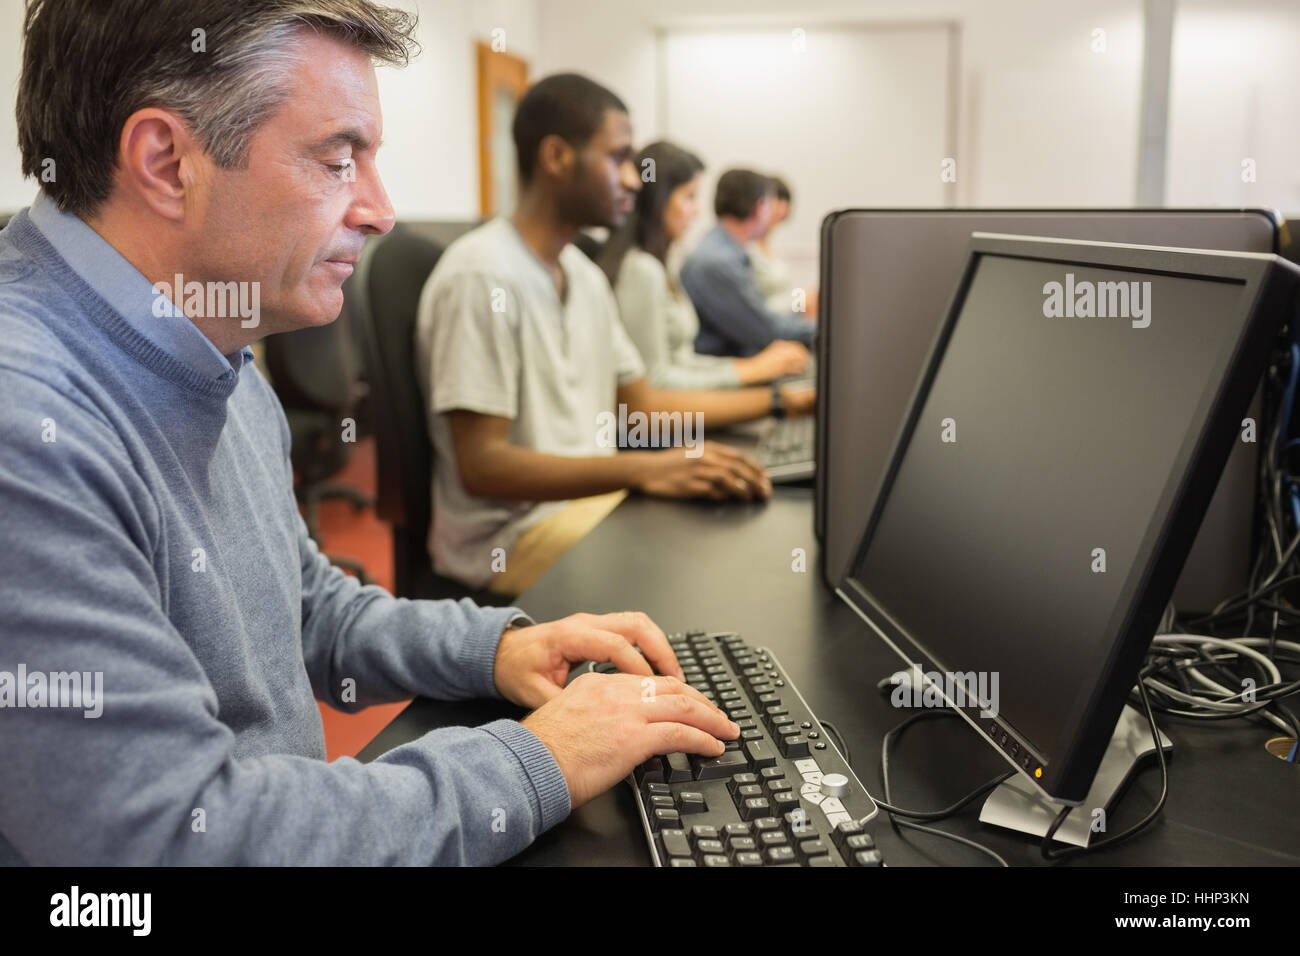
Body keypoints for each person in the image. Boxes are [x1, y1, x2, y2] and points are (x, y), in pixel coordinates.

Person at [0, 0, 737, 866]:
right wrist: (541, 758)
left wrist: (494, 648)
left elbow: (301, 606)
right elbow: (174, 836)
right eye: (337, 159)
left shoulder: (214, 341)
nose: (382, 212)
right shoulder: (28, 424)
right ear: (167, 163)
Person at [416, 75, 814, 596]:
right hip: (512, 540)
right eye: (618, 159)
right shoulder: (482, 275)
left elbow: (644, 407)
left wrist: (779, 404)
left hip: (588, 505)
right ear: (557, 157)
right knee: (702, 576)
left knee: (736, 540)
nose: (633, 179)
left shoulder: (581, 274)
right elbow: (483, 466)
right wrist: (646, 468)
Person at [599, 141, 809, 390]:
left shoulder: (664, 265)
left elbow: (681, 360)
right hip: (661, 421)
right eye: (689, 197)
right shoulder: (648, 269)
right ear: (660, 199)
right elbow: (655, 383)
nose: (696, 212)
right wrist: (752, 370)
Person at [680, 168, 816, 357]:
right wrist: (820, 328)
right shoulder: (720, 261)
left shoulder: (731, 250)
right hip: (731, 359)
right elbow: (764, 329)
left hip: (764, 336)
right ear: (760, 208)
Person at [748, 175, 817, 317]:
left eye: (785, 201)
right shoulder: (748, 249)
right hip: (770, 321)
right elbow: (759, 303)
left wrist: (804, 298)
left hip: (787, 316)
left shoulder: (771, 248)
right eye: (777, 200)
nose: (782, 207)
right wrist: (801, 300)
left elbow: (785, 293)